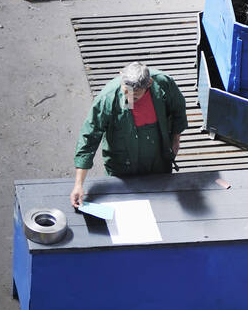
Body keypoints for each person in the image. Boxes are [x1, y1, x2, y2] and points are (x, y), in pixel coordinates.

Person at [70, 62, 188, 209]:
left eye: (135, 96)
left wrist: (176, 139)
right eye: (126, 92)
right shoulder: (107, 98)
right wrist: (79, 184)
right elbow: (89, 137)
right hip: (122, 166)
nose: (129, 99)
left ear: (149, 84)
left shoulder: (163, 84)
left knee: (161, 207)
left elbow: (178, 109)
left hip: (158, 161)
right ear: (121, 76)